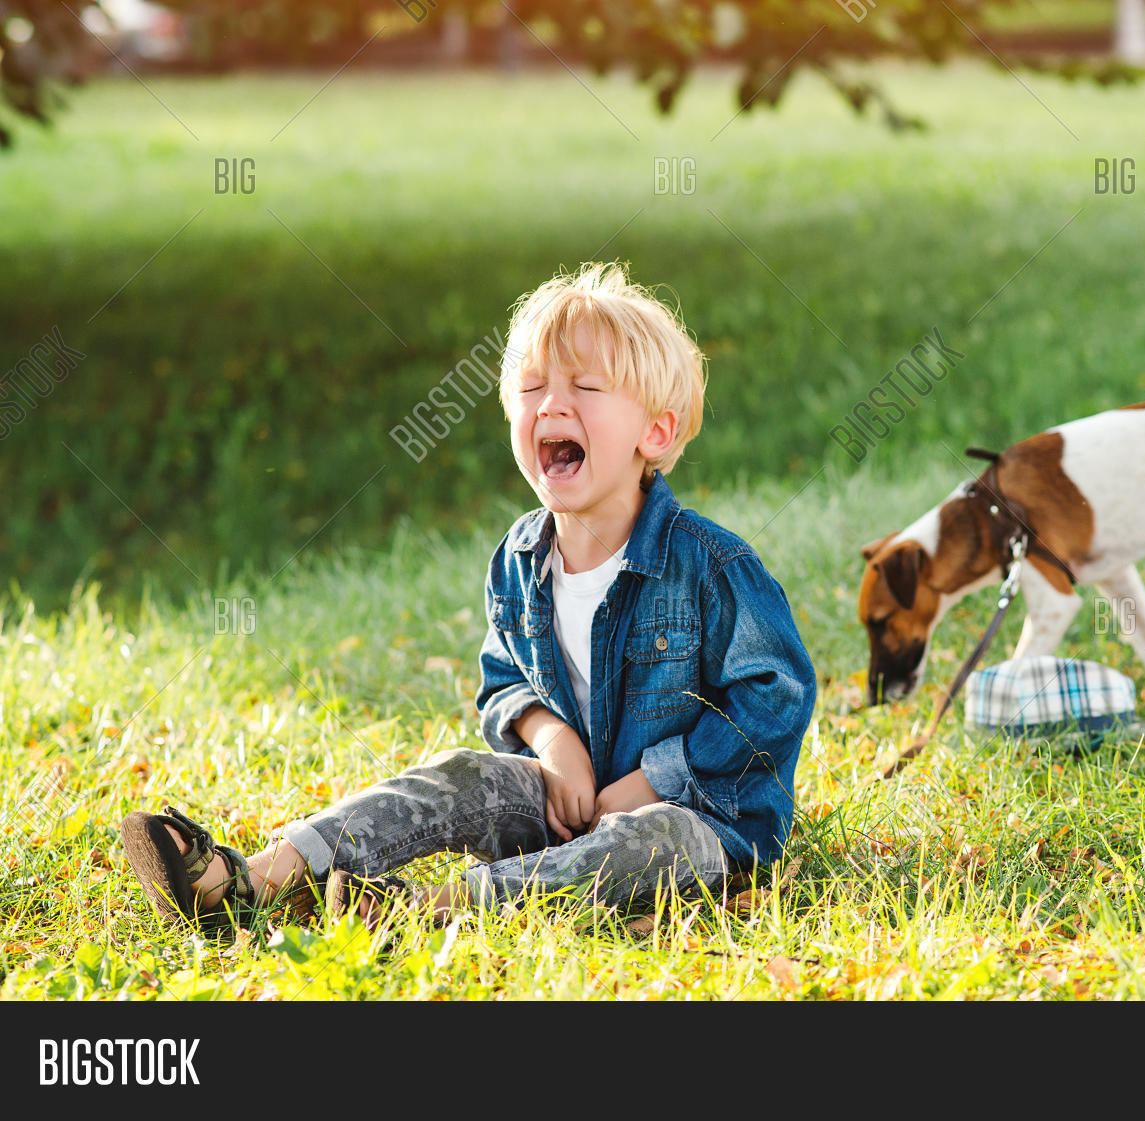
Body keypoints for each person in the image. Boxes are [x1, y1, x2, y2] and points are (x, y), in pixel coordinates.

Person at [121, 262, 818, 929]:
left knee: (653, 842)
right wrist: (554, 741)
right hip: (566, 801)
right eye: (534, 387)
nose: (552, 404)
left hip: (702, 824)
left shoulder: (708, 564)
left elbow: (774, 697)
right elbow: (505, 679)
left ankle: (435, 907)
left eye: (586, 389)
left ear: (655, 432)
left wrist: (650, 782)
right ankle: (255, 878)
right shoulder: (521, 557)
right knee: (453, 777)